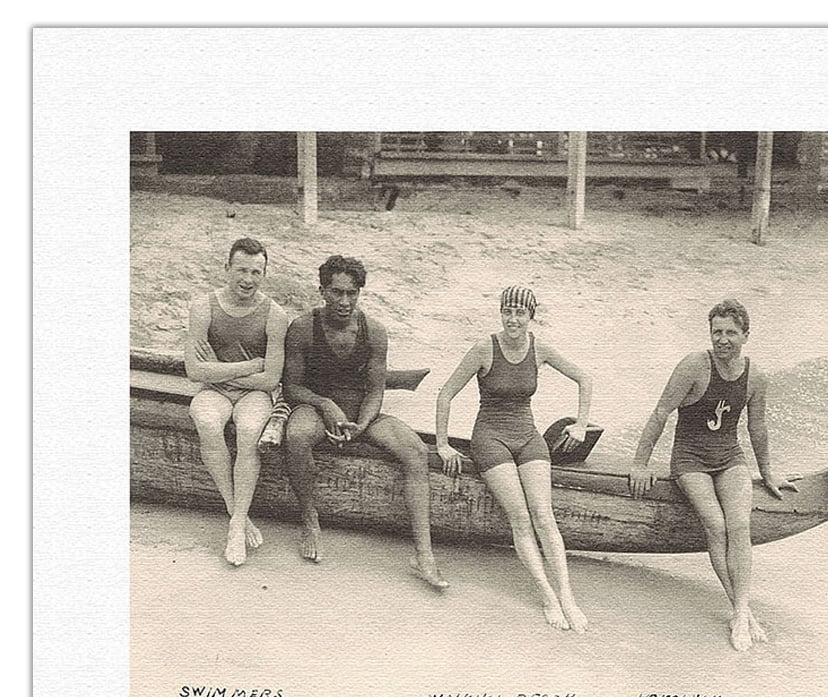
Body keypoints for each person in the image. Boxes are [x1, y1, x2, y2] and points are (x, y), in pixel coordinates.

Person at [628, 299, 797, 651]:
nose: (722, 340)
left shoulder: (756, 377)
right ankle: (742, 611)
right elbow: (661, 412)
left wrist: (767, 472)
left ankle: (740, 611)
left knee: (739, 525)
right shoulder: (694, 366)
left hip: (729, 458)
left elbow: (758, 428)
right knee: (715, 525)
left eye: (731, 333)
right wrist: (640, 464)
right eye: (716, 332)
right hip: (689, 460)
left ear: (745, 336)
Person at [282, 255, 449, 590]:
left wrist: (362, 422)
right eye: (337, 292)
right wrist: (325, 404)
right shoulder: (302, 328)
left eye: (352, 293)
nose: (345, 301)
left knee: (416, 451)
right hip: (316, 407)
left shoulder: (374, 331)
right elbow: (292, 386)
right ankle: (311, 521)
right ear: (322, 291)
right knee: (297, 436)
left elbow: (375, 389)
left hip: (361, 411)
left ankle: (424, 554)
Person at [436, 286, 593, 633]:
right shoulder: (484, 348)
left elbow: (585, 379)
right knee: (521, 518)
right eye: (507, 311)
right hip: (490, 438)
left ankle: (567, 596)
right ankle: (547, 595)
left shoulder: (541, 349)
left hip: (528, 436)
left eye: (520, 312)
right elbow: (445, 394)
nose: (513, 319)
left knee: (544, 515)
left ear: (531, 316)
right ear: (500, 313)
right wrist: (444, 444)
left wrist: (581, 425)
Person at [184, 237, 288, 567]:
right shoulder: (203, 306)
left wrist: (216, 371)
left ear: (264, 274)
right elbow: (192, 370)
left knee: (248, 431)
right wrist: (248, 365)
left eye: (256, 272)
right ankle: (238, 516)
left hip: (253, 394)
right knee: (206, 419)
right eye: (241, 270)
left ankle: (234, 528)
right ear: (227, 268)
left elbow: (271, 379)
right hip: (215, 393)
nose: (248, 279)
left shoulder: (275, 315)